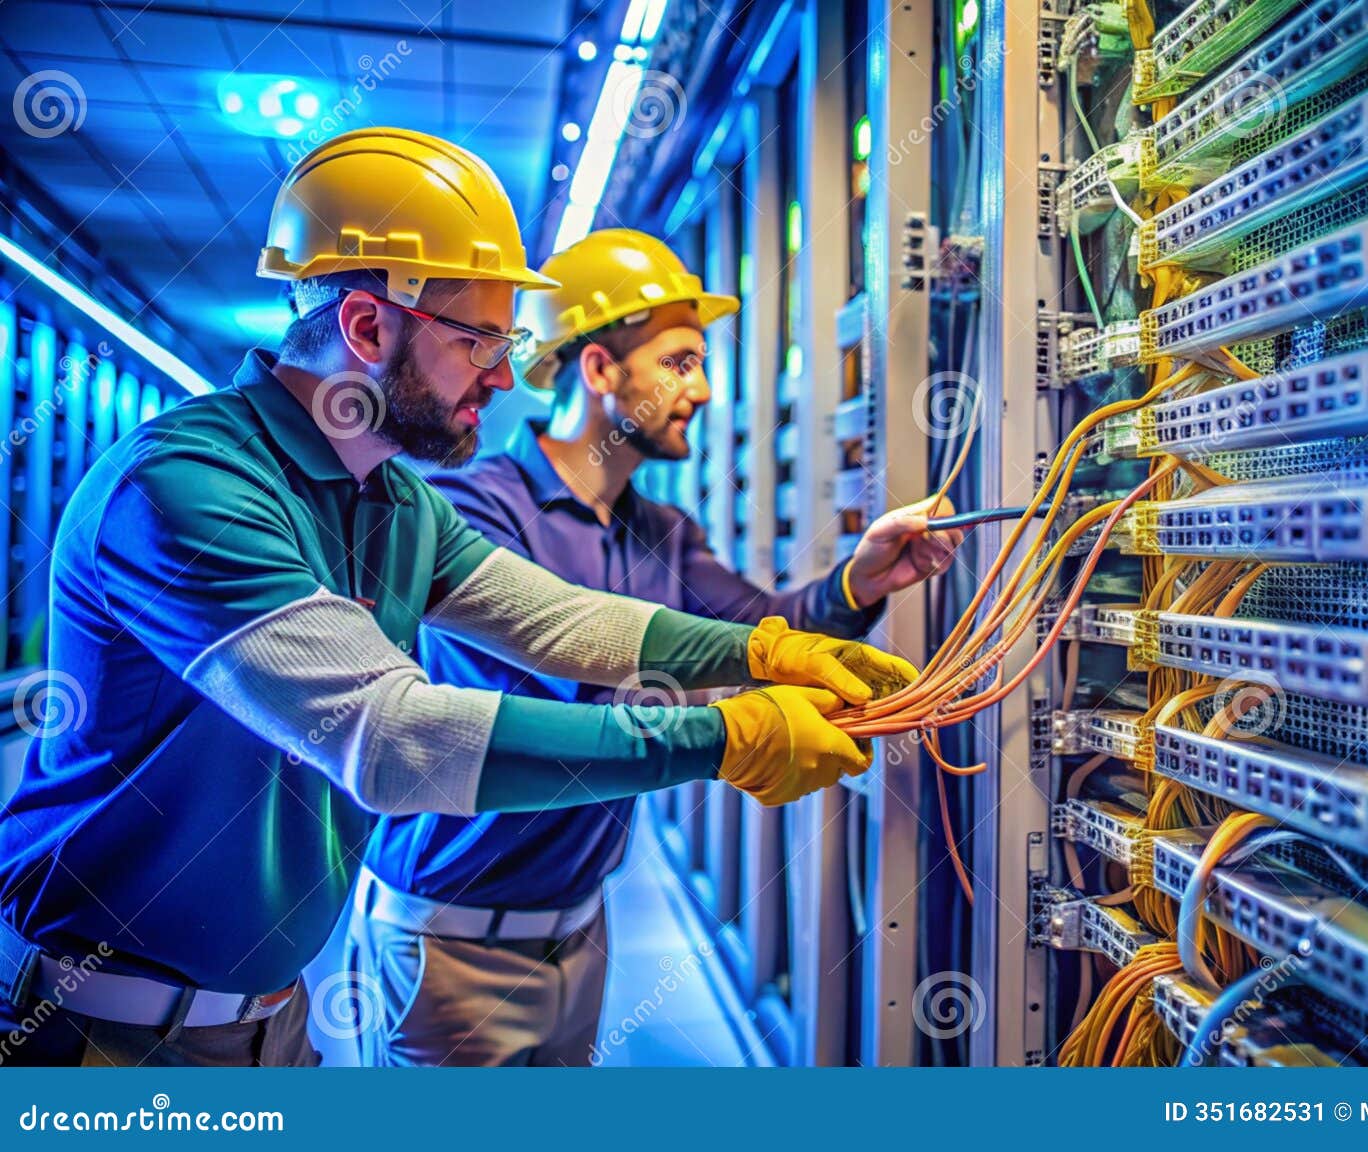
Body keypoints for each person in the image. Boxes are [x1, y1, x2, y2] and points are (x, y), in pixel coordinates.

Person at [0, 129, 915, 1066]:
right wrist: (721, 740)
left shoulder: (397, 502)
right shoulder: (189, 486)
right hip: (96, 1028)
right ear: (367, 328)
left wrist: (762, 650)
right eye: (480, 341)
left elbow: (562, 620)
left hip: (272, 1016)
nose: (506, 375)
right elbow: (391, 736)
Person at [351, 229, 963, 1066]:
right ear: (600, 370)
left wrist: (858, 581)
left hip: (579, 923)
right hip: (451, 939)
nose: (702, 389)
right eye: (679, 362)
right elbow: (559, 697)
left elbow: (764, 631)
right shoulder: (472, 509)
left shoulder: (661, 532)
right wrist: (730, 731)